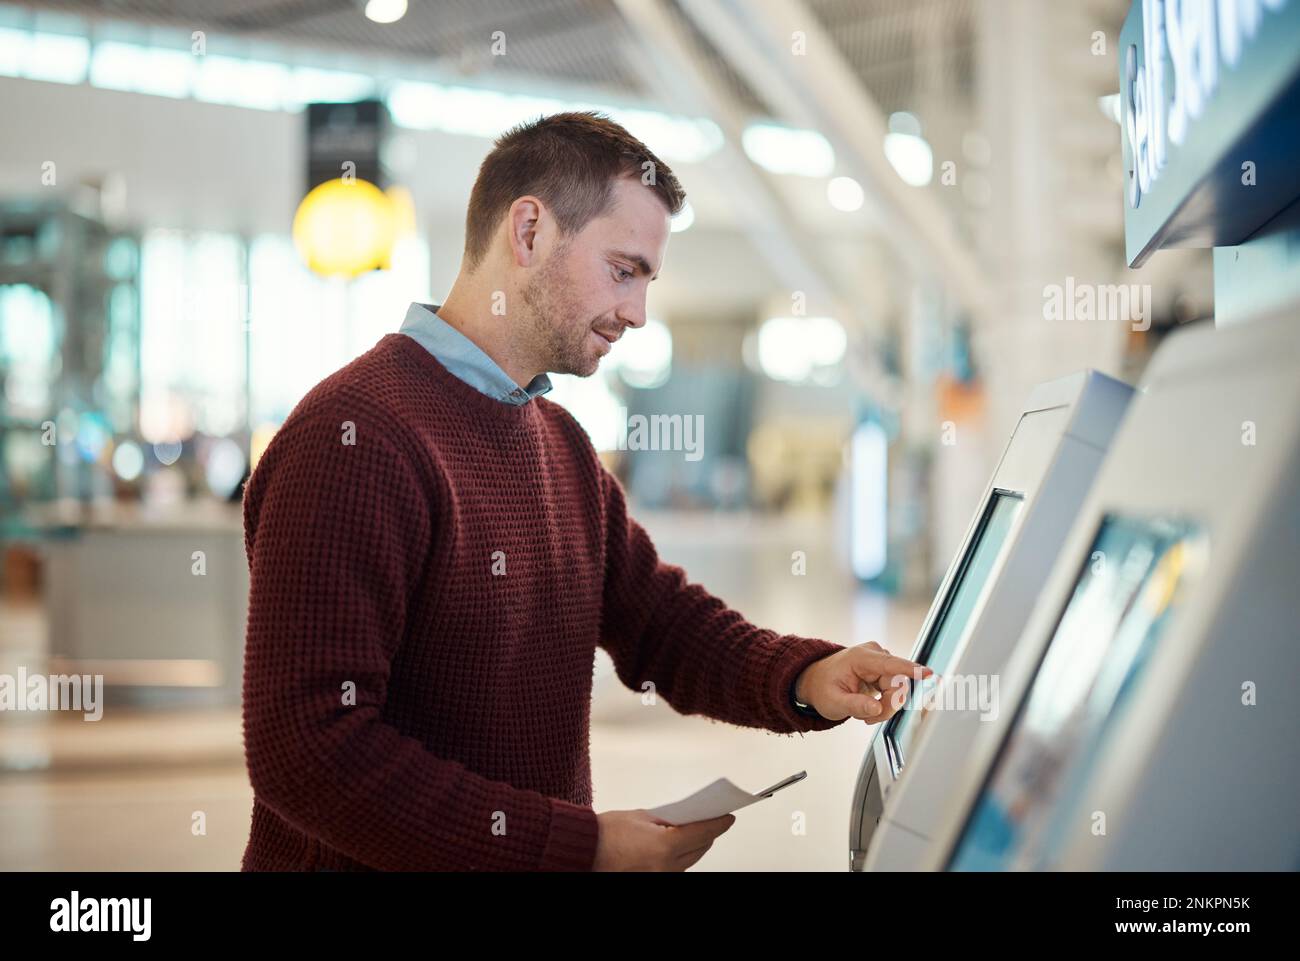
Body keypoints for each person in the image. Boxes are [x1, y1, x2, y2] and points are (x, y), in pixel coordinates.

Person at [240, 111, 929, 872]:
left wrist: (800, 676)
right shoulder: (355, 437)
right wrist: (580, 846)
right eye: (623, 270)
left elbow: (661, 623)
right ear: (529, 232)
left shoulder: (557, 441)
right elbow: (309, 751)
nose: (637, 313)